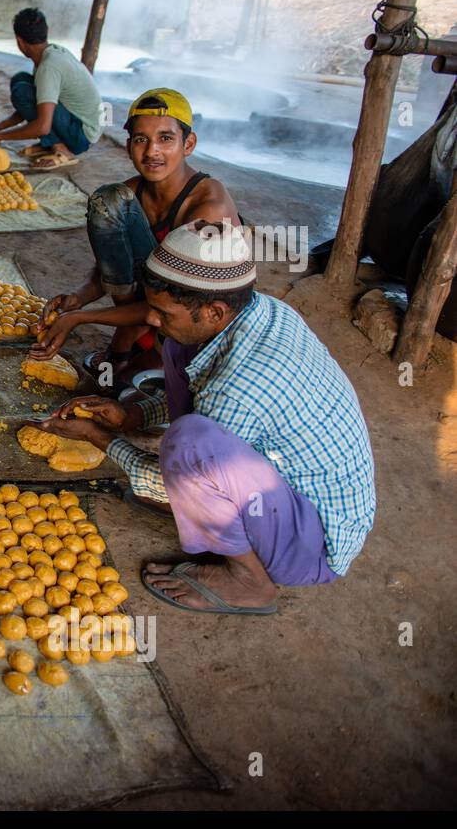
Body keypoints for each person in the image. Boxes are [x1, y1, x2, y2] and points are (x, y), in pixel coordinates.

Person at [34, 222, 376, 615]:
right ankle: (224, 523)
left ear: (215, 310)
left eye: (163, 312)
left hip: (311, 543)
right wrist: (131, 414)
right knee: (178, 350)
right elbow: (202, 387)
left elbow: (170, 480)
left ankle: (249, 581)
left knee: (190, 442)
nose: (152, 322)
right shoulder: (260, 312)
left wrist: (100, 439)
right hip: (290, 495)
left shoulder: (242, 384)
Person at [29, 88, 240, 388]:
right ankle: (131, 335)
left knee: (123, 391)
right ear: (129, 146)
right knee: (108, 200)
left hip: (194, 317)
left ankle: (140, 341)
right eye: (141, 139)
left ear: (188, 144)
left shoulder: (208, 208)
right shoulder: (132, 194)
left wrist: (81, 318)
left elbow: (182, 302)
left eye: (166, 139)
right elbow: (112, 264)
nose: (152, 151)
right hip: (157, 302)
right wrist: (79, 298)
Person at [0, 8, 102, 169]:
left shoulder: (49, 67)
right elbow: (35, 103)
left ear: (19, 41)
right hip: (78, 126)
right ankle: (52, 143)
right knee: (21, 80)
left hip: (81, 135)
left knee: (22, 91)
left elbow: (42, 126)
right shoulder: (49, 53)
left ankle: (62, 150)